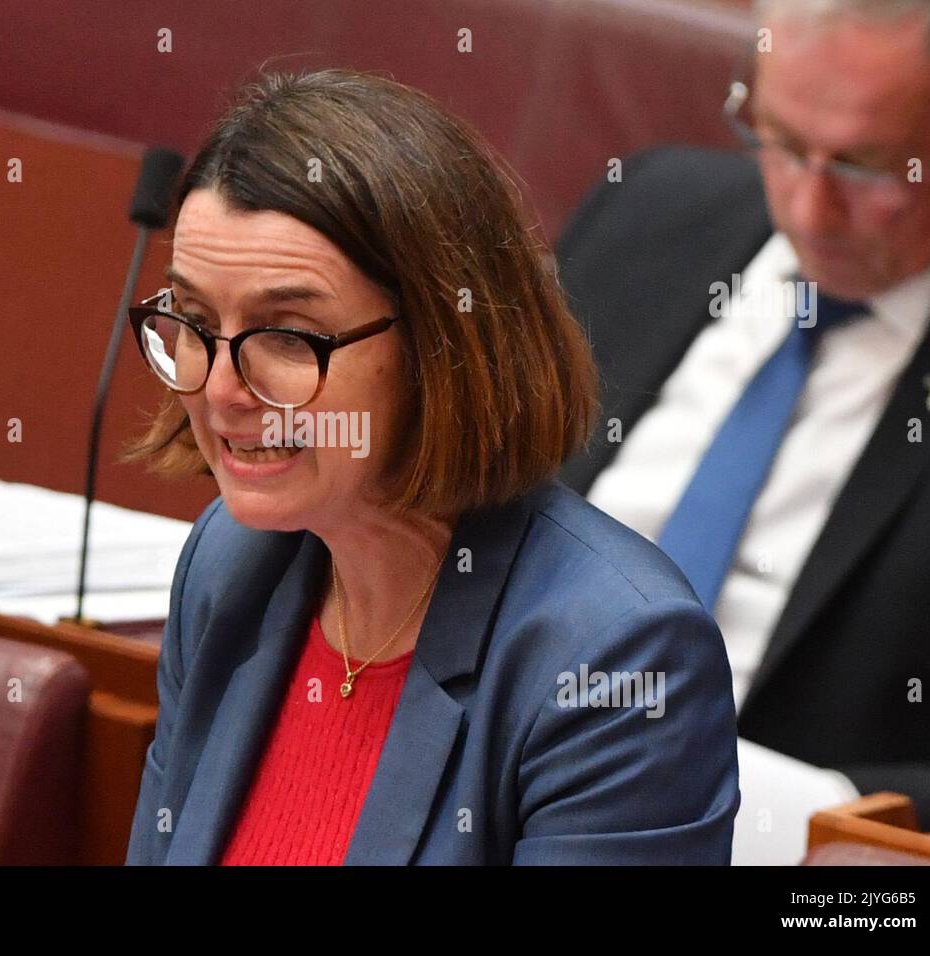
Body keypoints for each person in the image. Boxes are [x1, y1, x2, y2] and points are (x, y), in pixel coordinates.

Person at [122, 68, 739, 865]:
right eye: (195, 322)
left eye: (287, 336)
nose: (219, 388)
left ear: (442, 350)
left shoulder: (614, 658)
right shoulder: (232, 565)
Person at [556, 0, 930, 829]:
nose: (810, 211)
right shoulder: (648, 211)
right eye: (778, 141)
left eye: (867, 166)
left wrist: (835, 822)